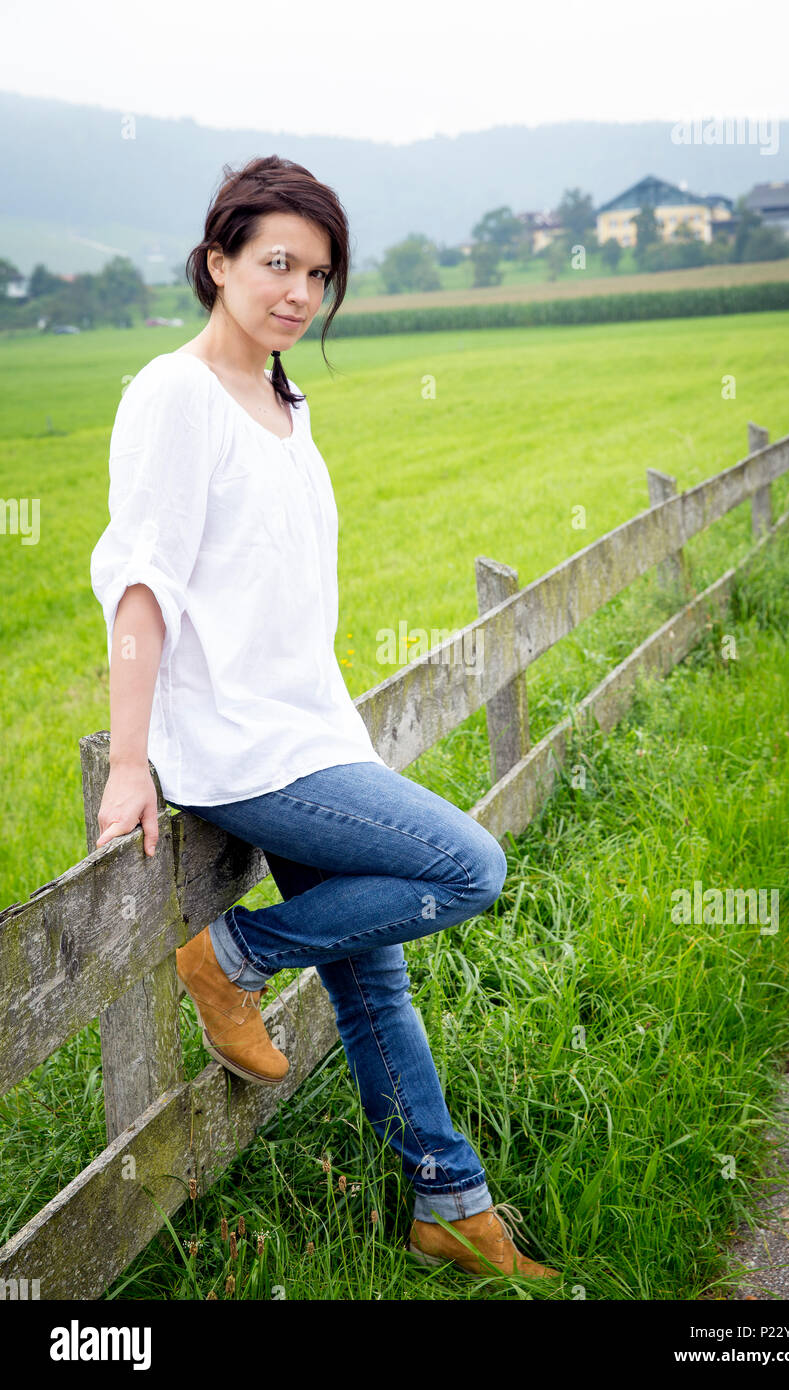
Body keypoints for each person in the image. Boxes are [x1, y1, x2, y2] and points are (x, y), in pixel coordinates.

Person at [90, 154, 558, 1284]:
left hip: (308, 730)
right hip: (237, 745)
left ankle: (450, 1205)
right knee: (465, 865)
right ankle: (231, 956)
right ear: (219, 264)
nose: (298, 291)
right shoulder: (175, 392)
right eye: (275, 263)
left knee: (373, 975)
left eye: (319, 273)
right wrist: (133, 757)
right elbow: (142, 582)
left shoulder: (286, 398)